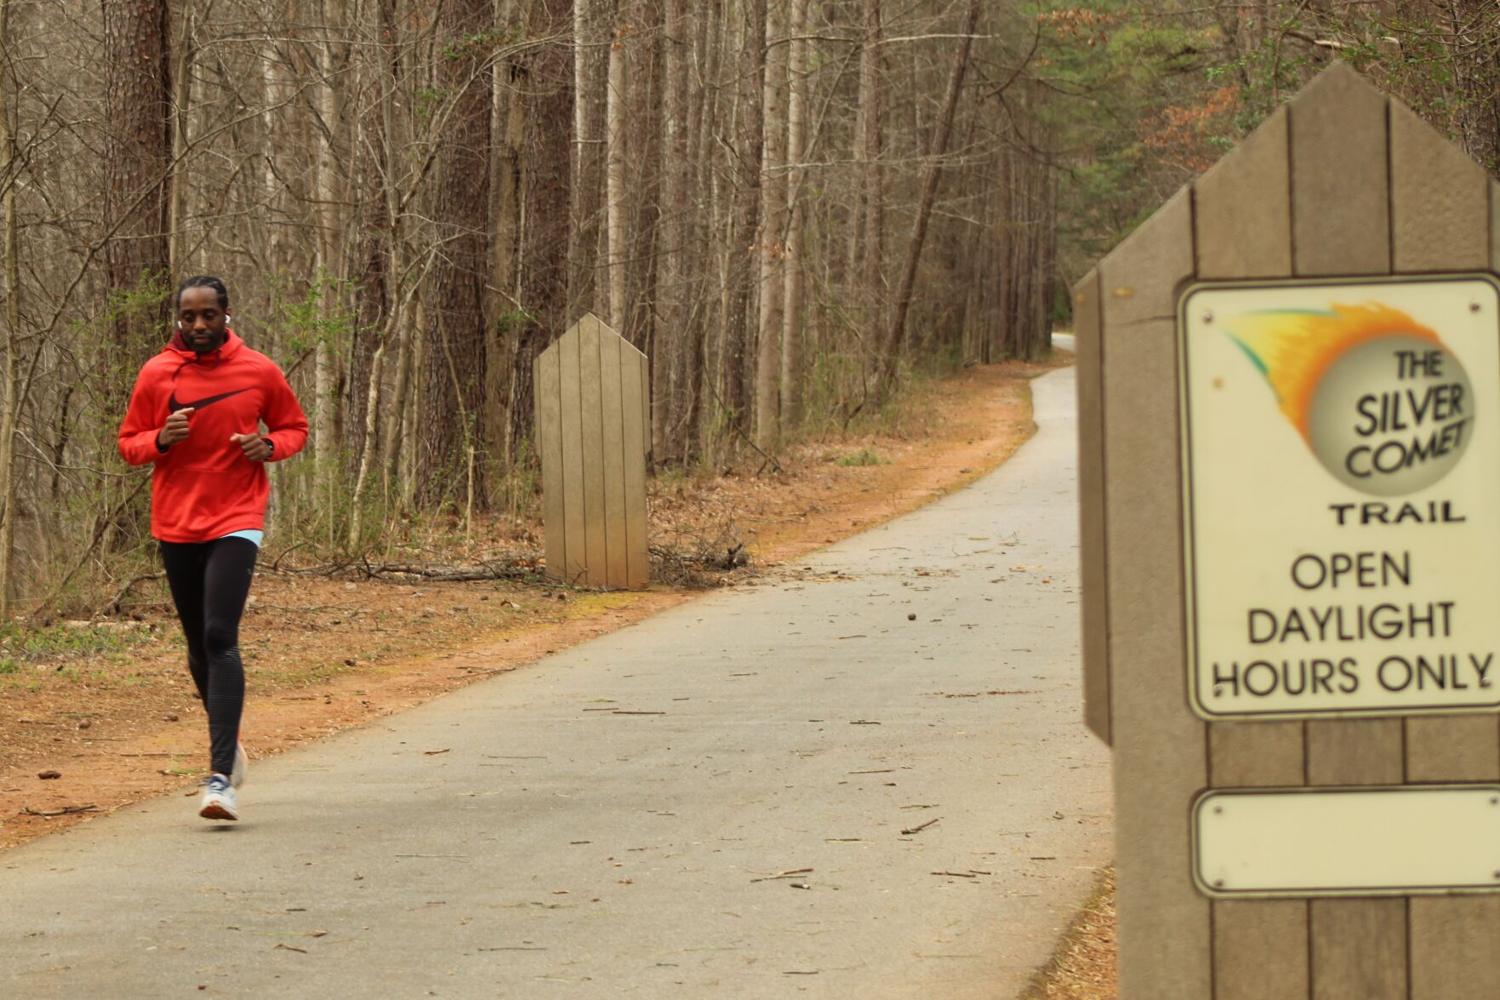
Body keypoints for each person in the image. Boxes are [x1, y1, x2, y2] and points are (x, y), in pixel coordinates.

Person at [117, 276, 308, 821]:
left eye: (208, 315)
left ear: (226, 314)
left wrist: (267, 445)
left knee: (221, 635)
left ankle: (219, 778)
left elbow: (294, 427)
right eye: (188, 317)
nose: (198, 325)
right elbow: (129, 443)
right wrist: (160, 439)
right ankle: (231, 742)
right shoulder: (157, 373)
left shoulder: (258, 370)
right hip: (176, 521)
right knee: (199, 645)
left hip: (237, 517)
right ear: (178, 319)